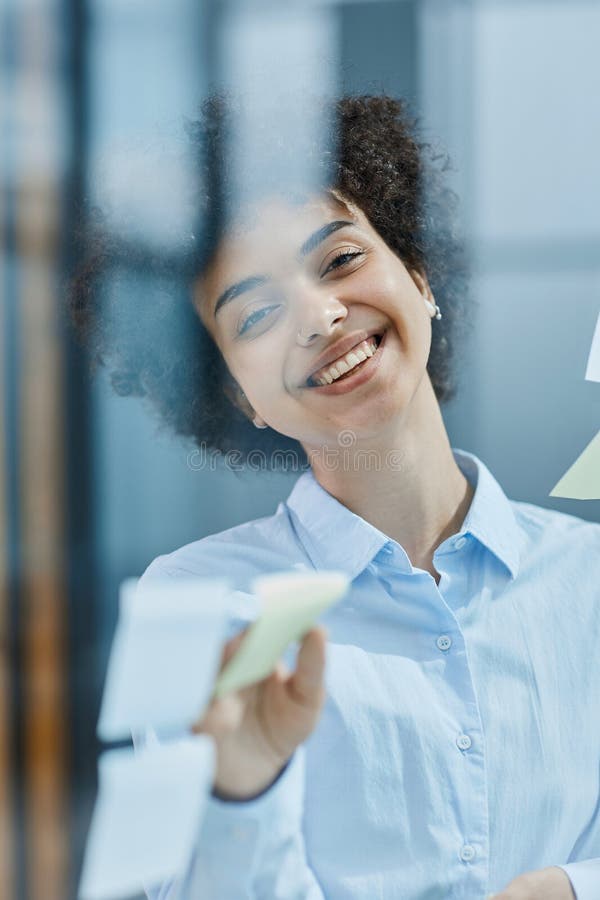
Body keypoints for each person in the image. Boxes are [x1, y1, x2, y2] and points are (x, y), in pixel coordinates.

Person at [70, 95, 600, 899]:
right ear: (237, 395)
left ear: (418, 275)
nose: (320, 317)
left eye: (341, 259)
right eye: (258, 315)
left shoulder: (588, 577)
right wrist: (241, 797)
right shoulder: (205, 604)